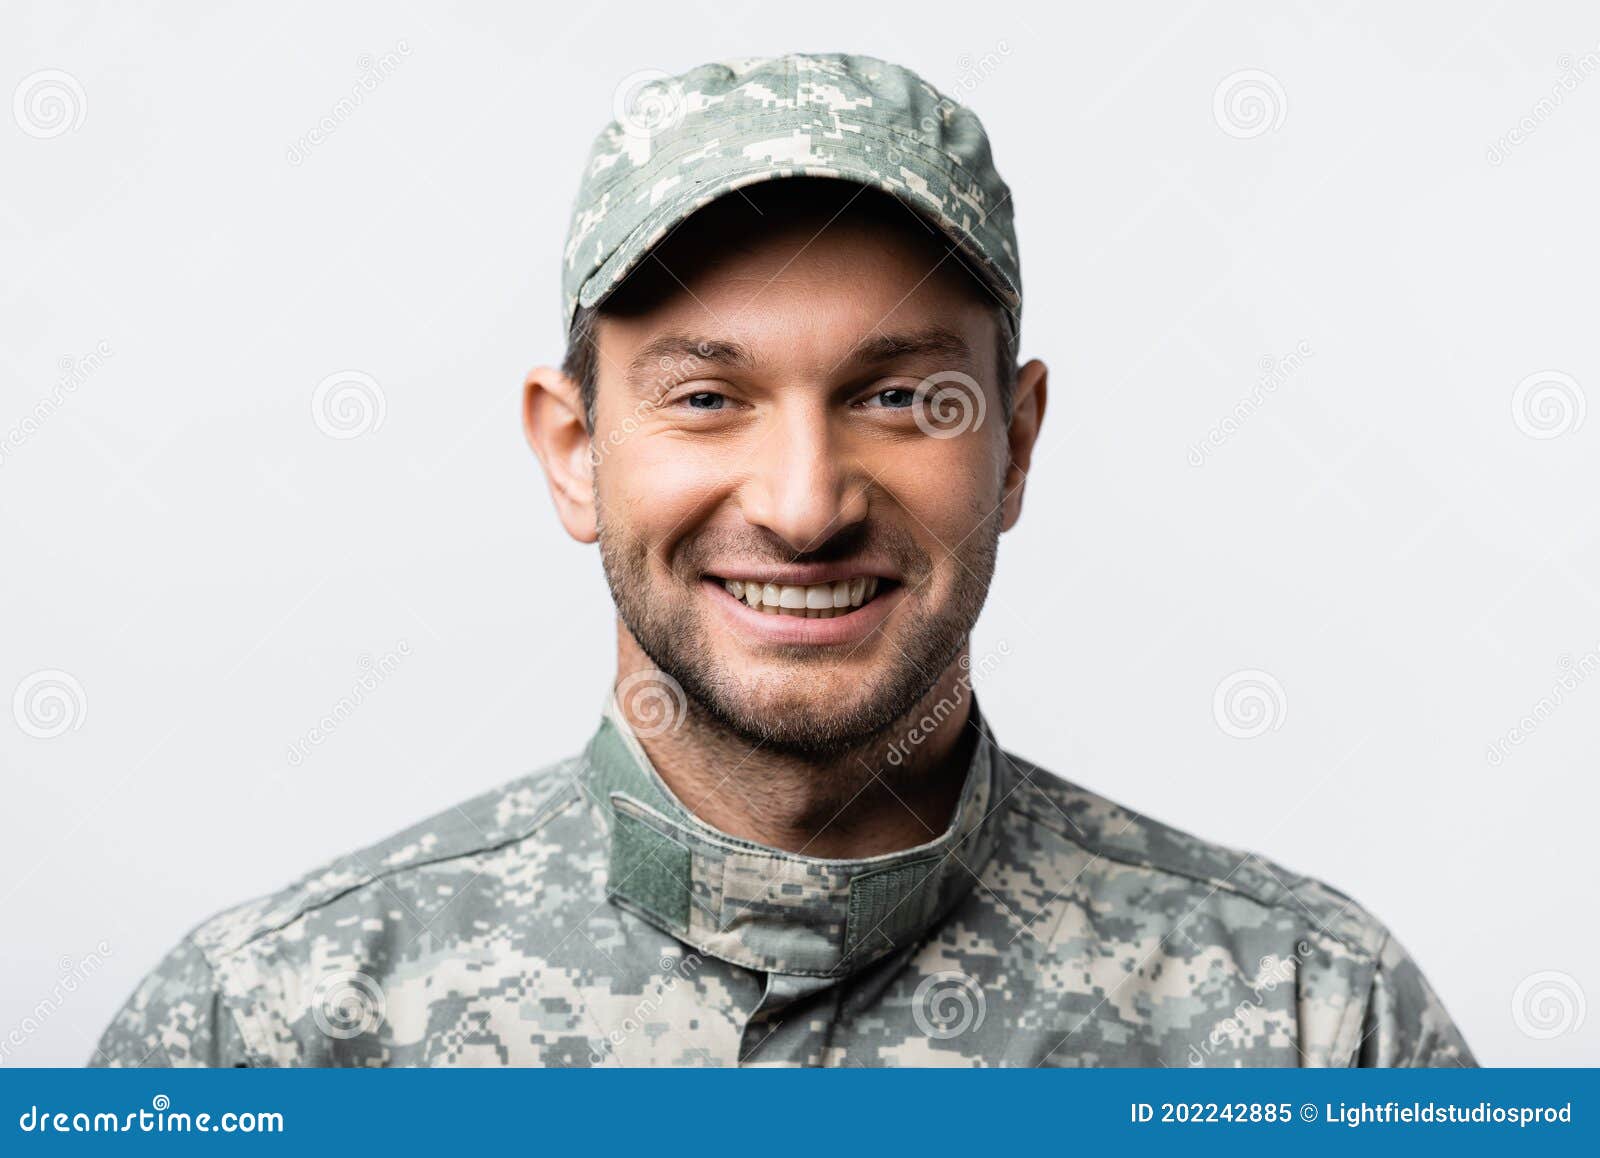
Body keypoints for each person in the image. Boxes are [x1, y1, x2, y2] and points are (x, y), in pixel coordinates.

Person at [92, 52, 1474, 1067]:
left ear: (1018, 442)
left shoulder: (1310, 1029)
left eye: (898, 396)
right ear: (573, 449)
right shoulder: (260, 1034)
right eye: (707, 396)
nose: (806, 507)